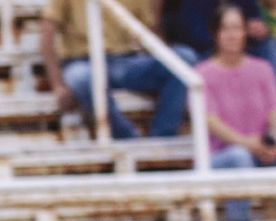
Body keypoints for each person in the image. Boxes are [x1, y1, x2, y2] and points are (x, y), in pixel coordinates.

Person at [198, 3, 276, 221]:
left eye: (237, 28)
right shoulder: (202, 74)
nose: (232, 35)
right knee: (240, 158)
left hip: (260, 149)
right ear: (216, 33)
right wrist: (247, 143)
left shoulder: (262, 69)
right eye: (225, 29)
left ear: (245, 32)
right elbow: (210, 121)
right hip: (222, 156)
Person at [43, 0, 199, 140]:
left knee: (184, 57)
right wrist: (58, 85)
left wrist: (163, 74)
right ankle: (127, 138)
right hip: (82, 61)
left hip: (126, 62)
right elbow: (47, 38)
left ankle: (163, 137)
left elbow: (150, 33)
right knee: (80, 77)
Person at [168, 0, 276, 90]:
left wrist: (260, 30)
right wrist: (232, 34)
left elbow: (255, 20)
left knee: (268, 44)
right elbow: (194, 36)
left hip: (240, 49)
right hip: (205, 53)